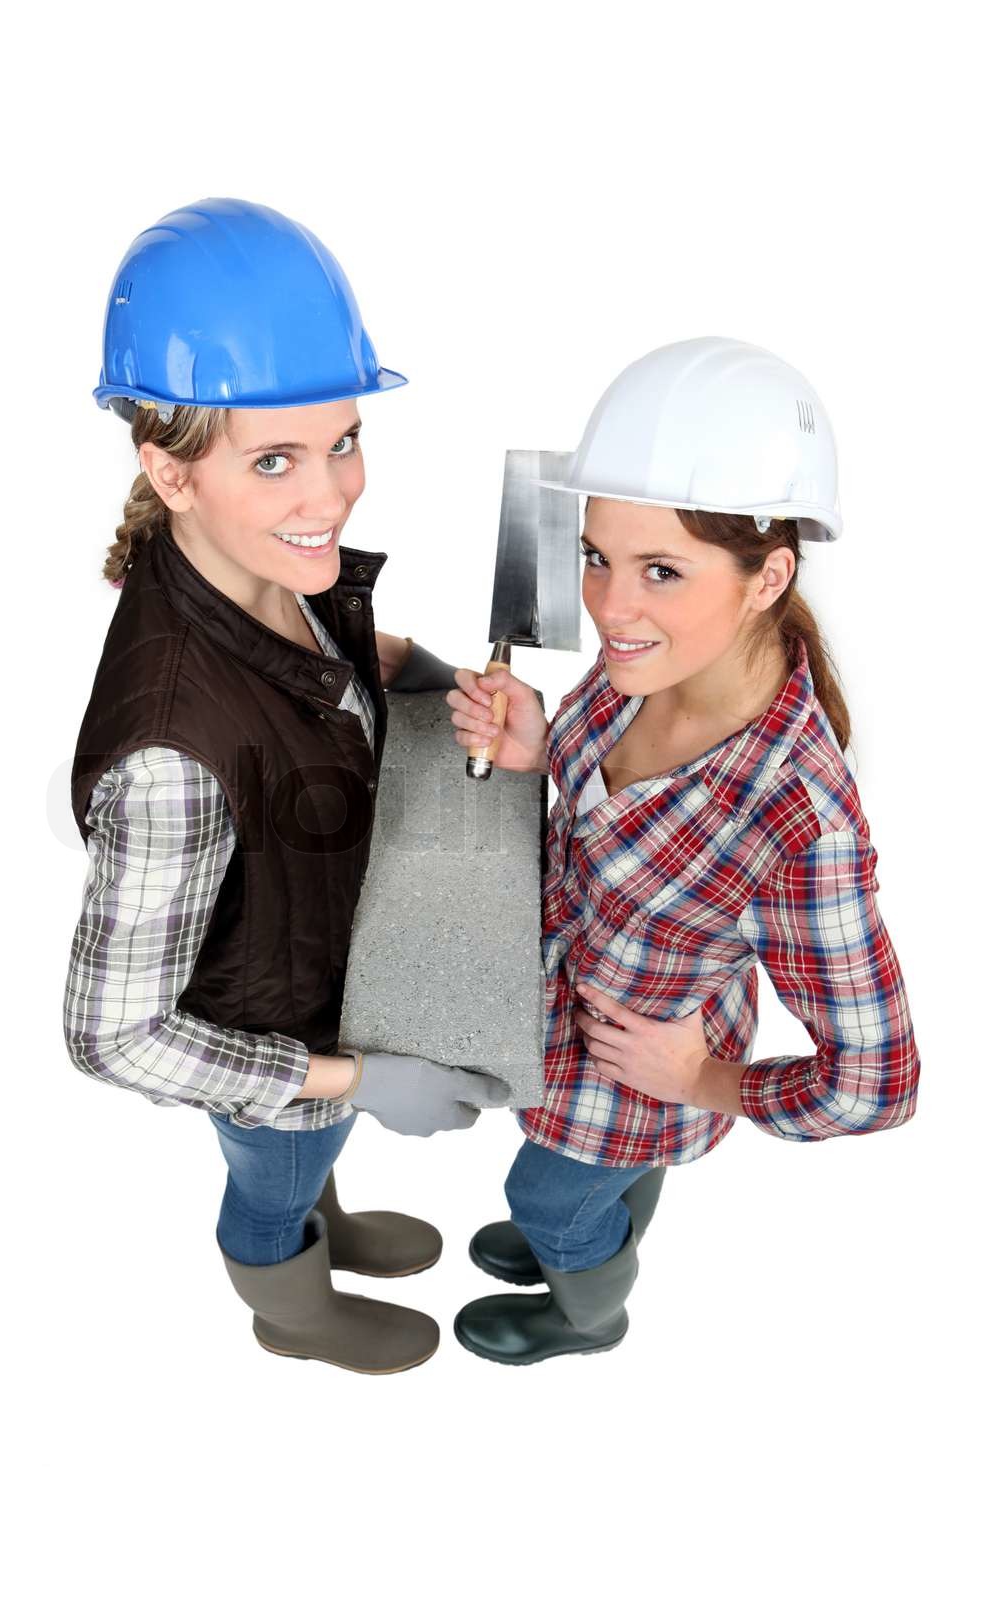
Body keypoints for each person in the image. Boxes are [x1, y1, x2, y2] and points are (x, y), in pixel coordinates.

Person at [63, 198, 508, 1376]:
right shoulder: (171, 756)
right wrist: (359, 1078)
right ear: (170, 468)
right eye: (274, 459)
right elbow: (115, 1038)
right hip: (273, 1043)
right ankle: (288, 1302)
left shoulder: (256, 568)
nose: (330, 495)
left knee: (309, 1156)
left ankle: (327, 1216)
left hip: (317, 975)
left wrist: (436, 679)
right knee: (275, 1171)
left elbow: (316, 666)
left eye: (342, 440)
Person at [446, 336, 921, 1365]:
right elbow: (598, 820)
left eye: (661, 569)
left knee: (541, 1189)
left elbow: (876, 1082)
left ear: (767, 576)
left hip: (637, 1063)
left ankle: (586, 1306)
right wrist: (538, 753)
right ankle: (591, 1214)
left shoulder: (798, 826)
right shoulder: (638, 670)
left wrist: (701, 1081)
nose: (611, 607)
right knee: (569, 1187)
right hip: (559, 1017)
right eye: (596, 556)